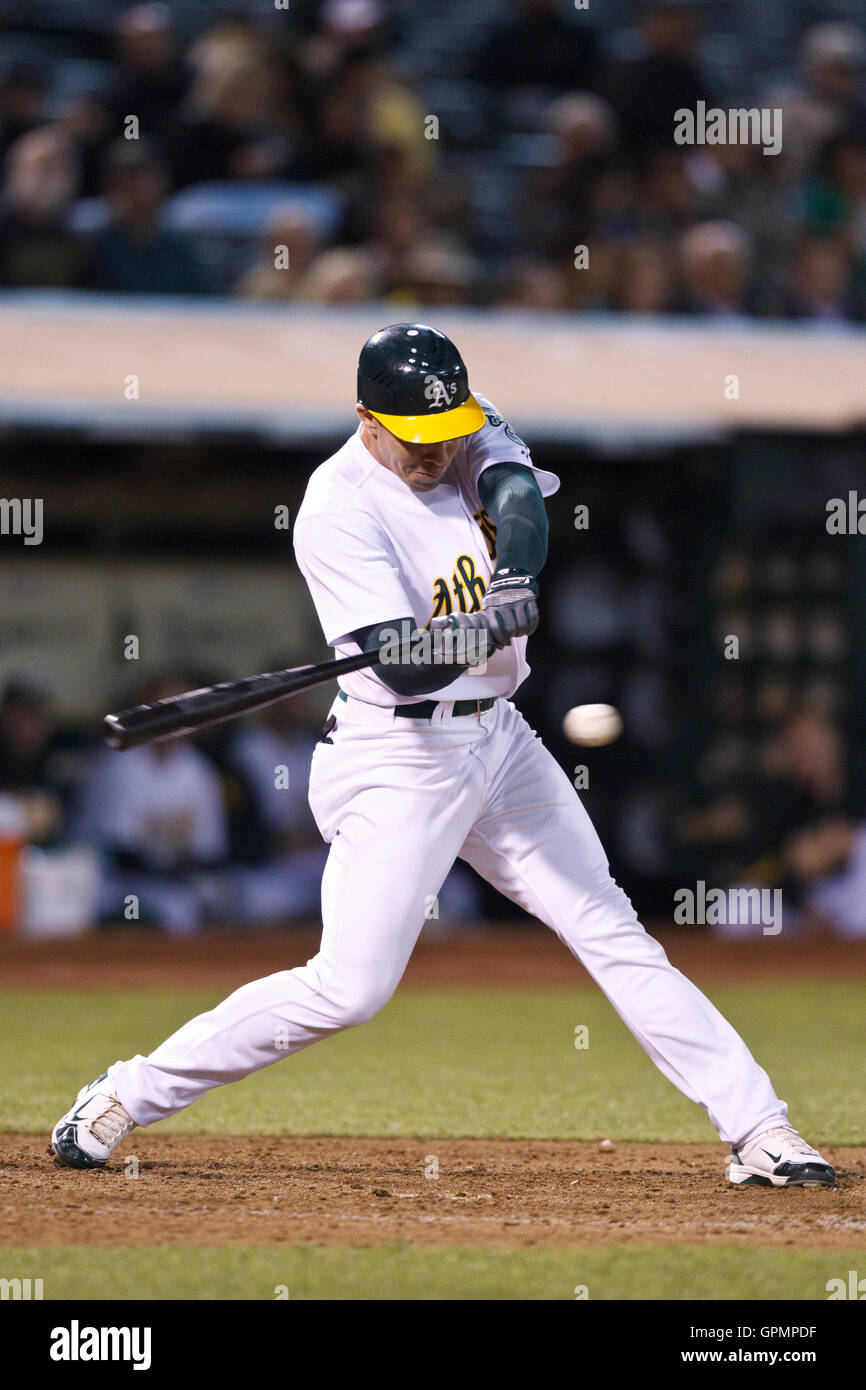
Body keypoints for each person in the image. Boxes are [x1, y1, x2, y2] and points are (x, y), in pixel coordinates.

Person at [51, 324, 834, 1190]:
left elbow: (518, 498)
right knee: (349, 990)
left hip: (497, 739)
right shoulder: (336, 506)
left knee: (609, 926)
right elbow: (396, 663)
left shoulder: (456, 422)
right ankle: (128, 1092)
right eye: (414, 442)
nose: (435, 455)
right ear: (366, 419)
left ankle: (759, 1127)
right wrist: (470, 635)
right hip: (397, 754)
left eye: (446, 435)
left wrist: (514, 583)